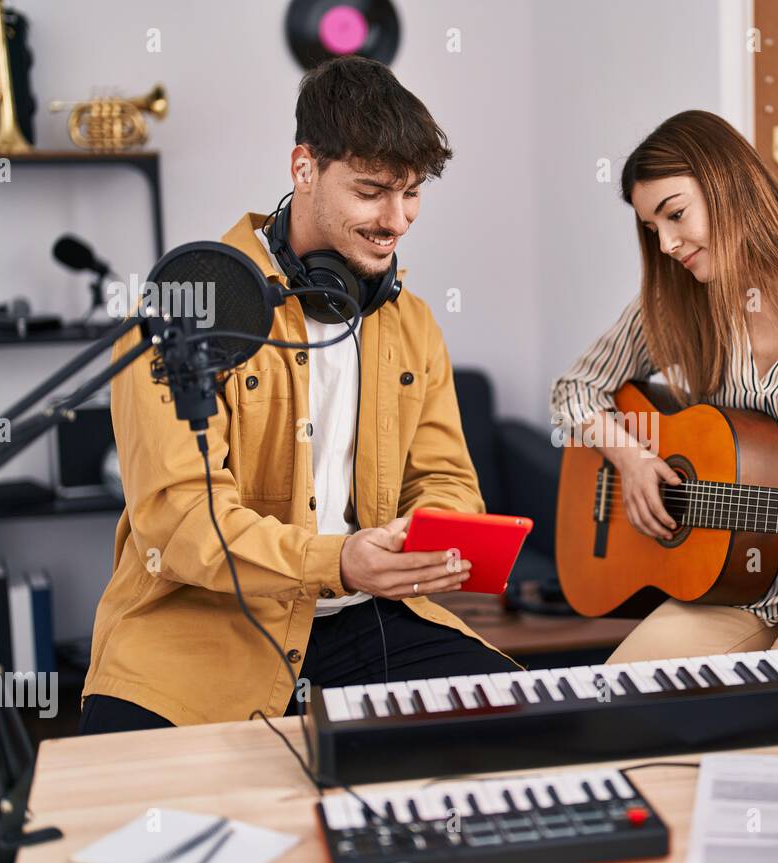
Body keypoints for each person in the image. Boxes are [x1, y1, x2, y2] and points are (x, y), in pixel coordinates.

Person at [81, 56, 519, 734]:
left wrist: (426, 535)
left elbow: (445, 479)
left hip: (366, 624)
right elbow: (177, 518)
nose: (397, 221)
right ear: (304, 168)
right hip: (197, 634)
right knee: (135, 816)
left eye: (411, 194)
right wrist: (337, 560)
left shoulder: (413, 323)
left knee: (525, 724)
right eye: (372, 191)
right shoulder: (186, 309)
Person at [550, 110, 778, 664]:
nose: (668, 246)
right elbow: (574, 392)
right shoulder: (684, 298)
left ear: (729, 185)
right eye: (653, 230)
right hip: (727, 591)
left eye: (675, 215)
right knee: (610, 710)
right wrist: (631, 461)